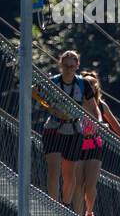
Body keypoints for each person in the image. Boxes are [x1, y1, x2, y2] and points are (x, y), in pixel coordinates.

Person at [74, 71, 120, 216]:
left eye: (92, 84)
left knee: (90, 183)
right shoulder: (74, 101)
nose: (89, 87)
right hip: (77, 144)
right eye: (86, 84)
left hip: (94, 145)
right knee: (78, 183)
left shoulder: (100, 105)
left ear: (96, 86)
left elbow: (113, 123)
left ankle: (89, 213)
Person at [37, 50, 87, 205]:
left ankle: (65, 204)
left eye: (72, 66)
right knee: (53, 170)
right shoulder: (53, 81)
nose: (69, 69)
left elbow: (92, 106)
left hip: (74, 130)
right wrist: (49, 108)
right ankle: (53, 205)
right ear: (60, 65)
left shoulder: (83, 84)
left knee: (69, 173)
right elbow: (35, 91)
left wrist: (97, 122)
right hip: (54, 127)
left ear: (77, 66)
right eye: (66, 66)